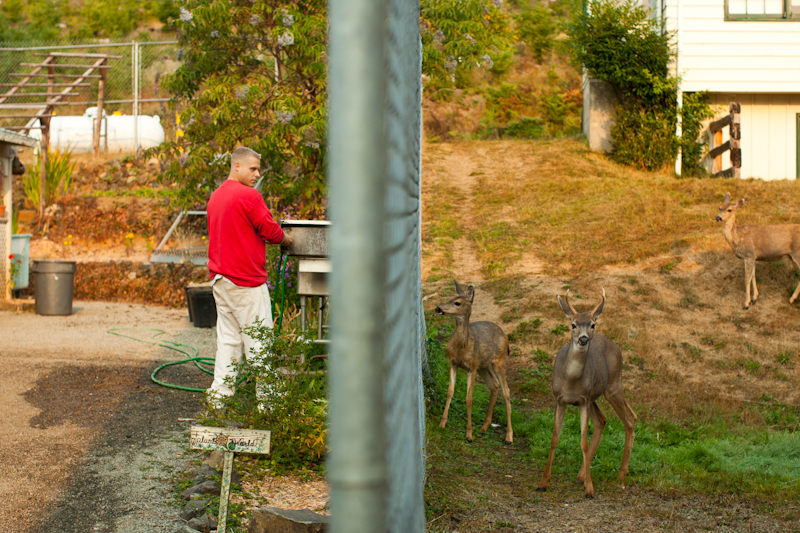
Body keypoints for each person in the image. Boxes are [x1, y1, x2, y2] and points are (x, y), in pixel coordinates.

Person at [206, 146, 292, 408]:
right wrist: (288, 239)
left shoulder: (216, 197)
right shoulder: (249, 196)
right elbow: (271, 231)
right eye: (253, 168)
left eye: (258, 169)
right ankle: (269, 406)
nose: (257, 174)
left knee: (229, 341)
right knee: (260, 343)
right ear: (237, 166)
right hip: (246, 281)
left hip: (220, 279)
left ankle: (219, 399)